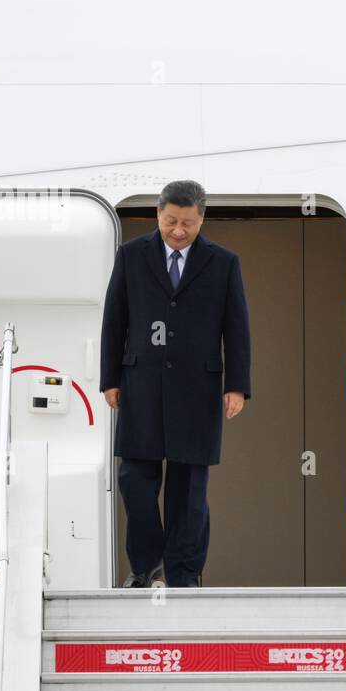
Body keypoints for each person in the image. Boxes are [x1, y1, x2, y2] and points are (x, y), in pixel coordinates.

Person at [99, 180, 251, 587]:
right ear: (158, 215)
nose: (178, 231)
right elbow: (115, 319)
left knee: (189, 491)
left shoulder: (223, 263)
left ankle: (184, 574)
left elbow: (236, 328)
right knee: (134, 481)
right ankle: (147, 567)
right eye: (170, 221)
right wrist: (110, 378)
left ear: (201, 218)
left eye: (187, 223)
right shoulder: (131, 256)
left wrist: (236, 385)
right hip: (140, 386)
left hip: (197, 391)